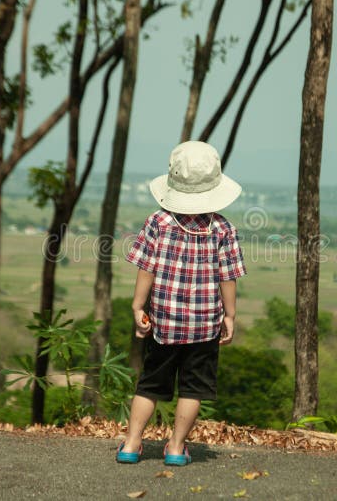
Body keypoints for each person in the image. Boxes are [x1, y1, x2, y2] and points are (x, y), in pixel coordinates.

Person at [116, 140, 247, 466]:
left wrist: (137, 307)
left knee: (149, 385)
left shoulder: (157, 223)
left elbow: (146, 268)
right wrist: (229, 315)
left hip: (164, 323)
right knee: (192, 389)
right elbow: (227, 278)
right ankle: (175, 448)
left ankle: (131, 444)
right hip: (204, 327)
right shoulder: (223, 228)